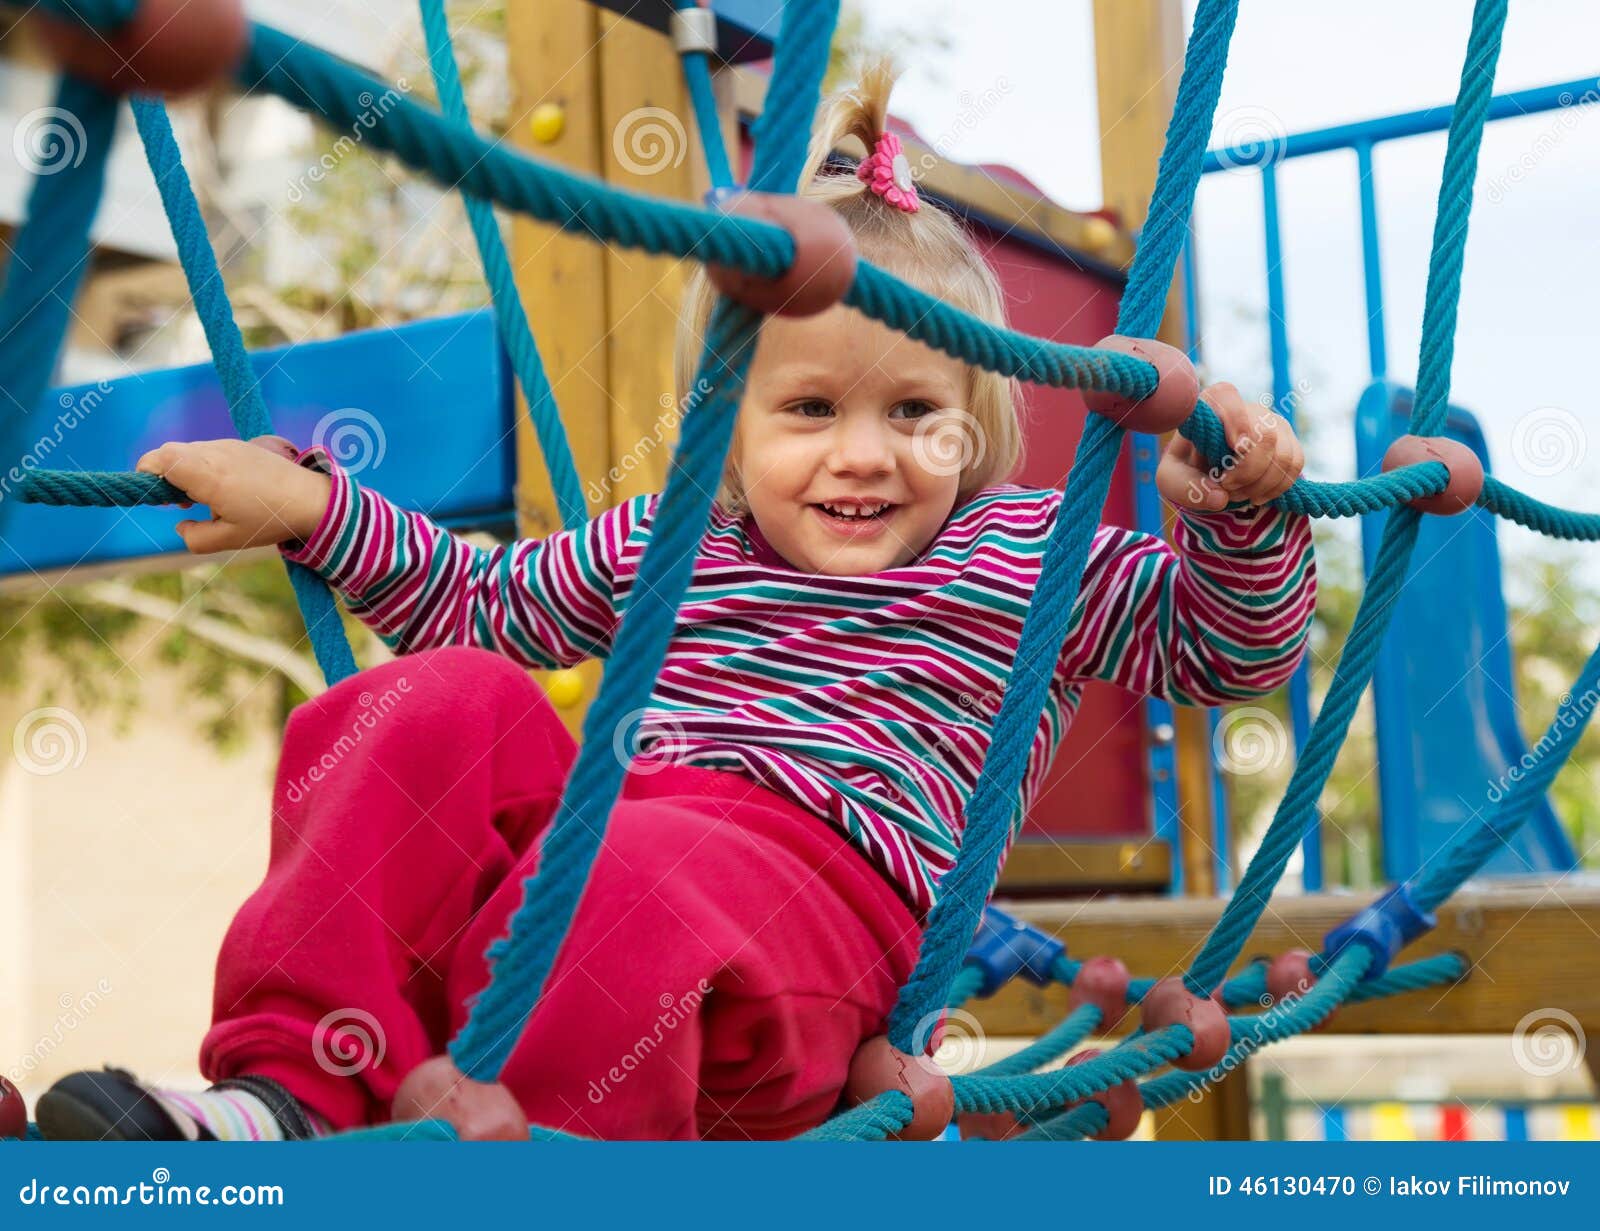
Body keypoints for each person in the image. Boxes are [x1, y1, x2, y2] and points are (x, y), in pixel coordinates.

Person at [36, 64, 1313, 1142]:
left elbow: (1228, 646)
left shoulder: (1027, 555)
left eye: (913, 413)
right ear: (731, 425)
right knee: (429, 701)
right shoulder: (681, 542)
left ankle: (523, 1159)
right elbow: (481, 606)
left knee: (629, 883)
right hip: (608, 861)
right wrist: (317, 510)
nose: (861, 454)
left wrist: (1244, 512)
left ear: (972, 424)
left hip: (815, 929)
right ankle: (288, 1096)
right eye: (810, 410)